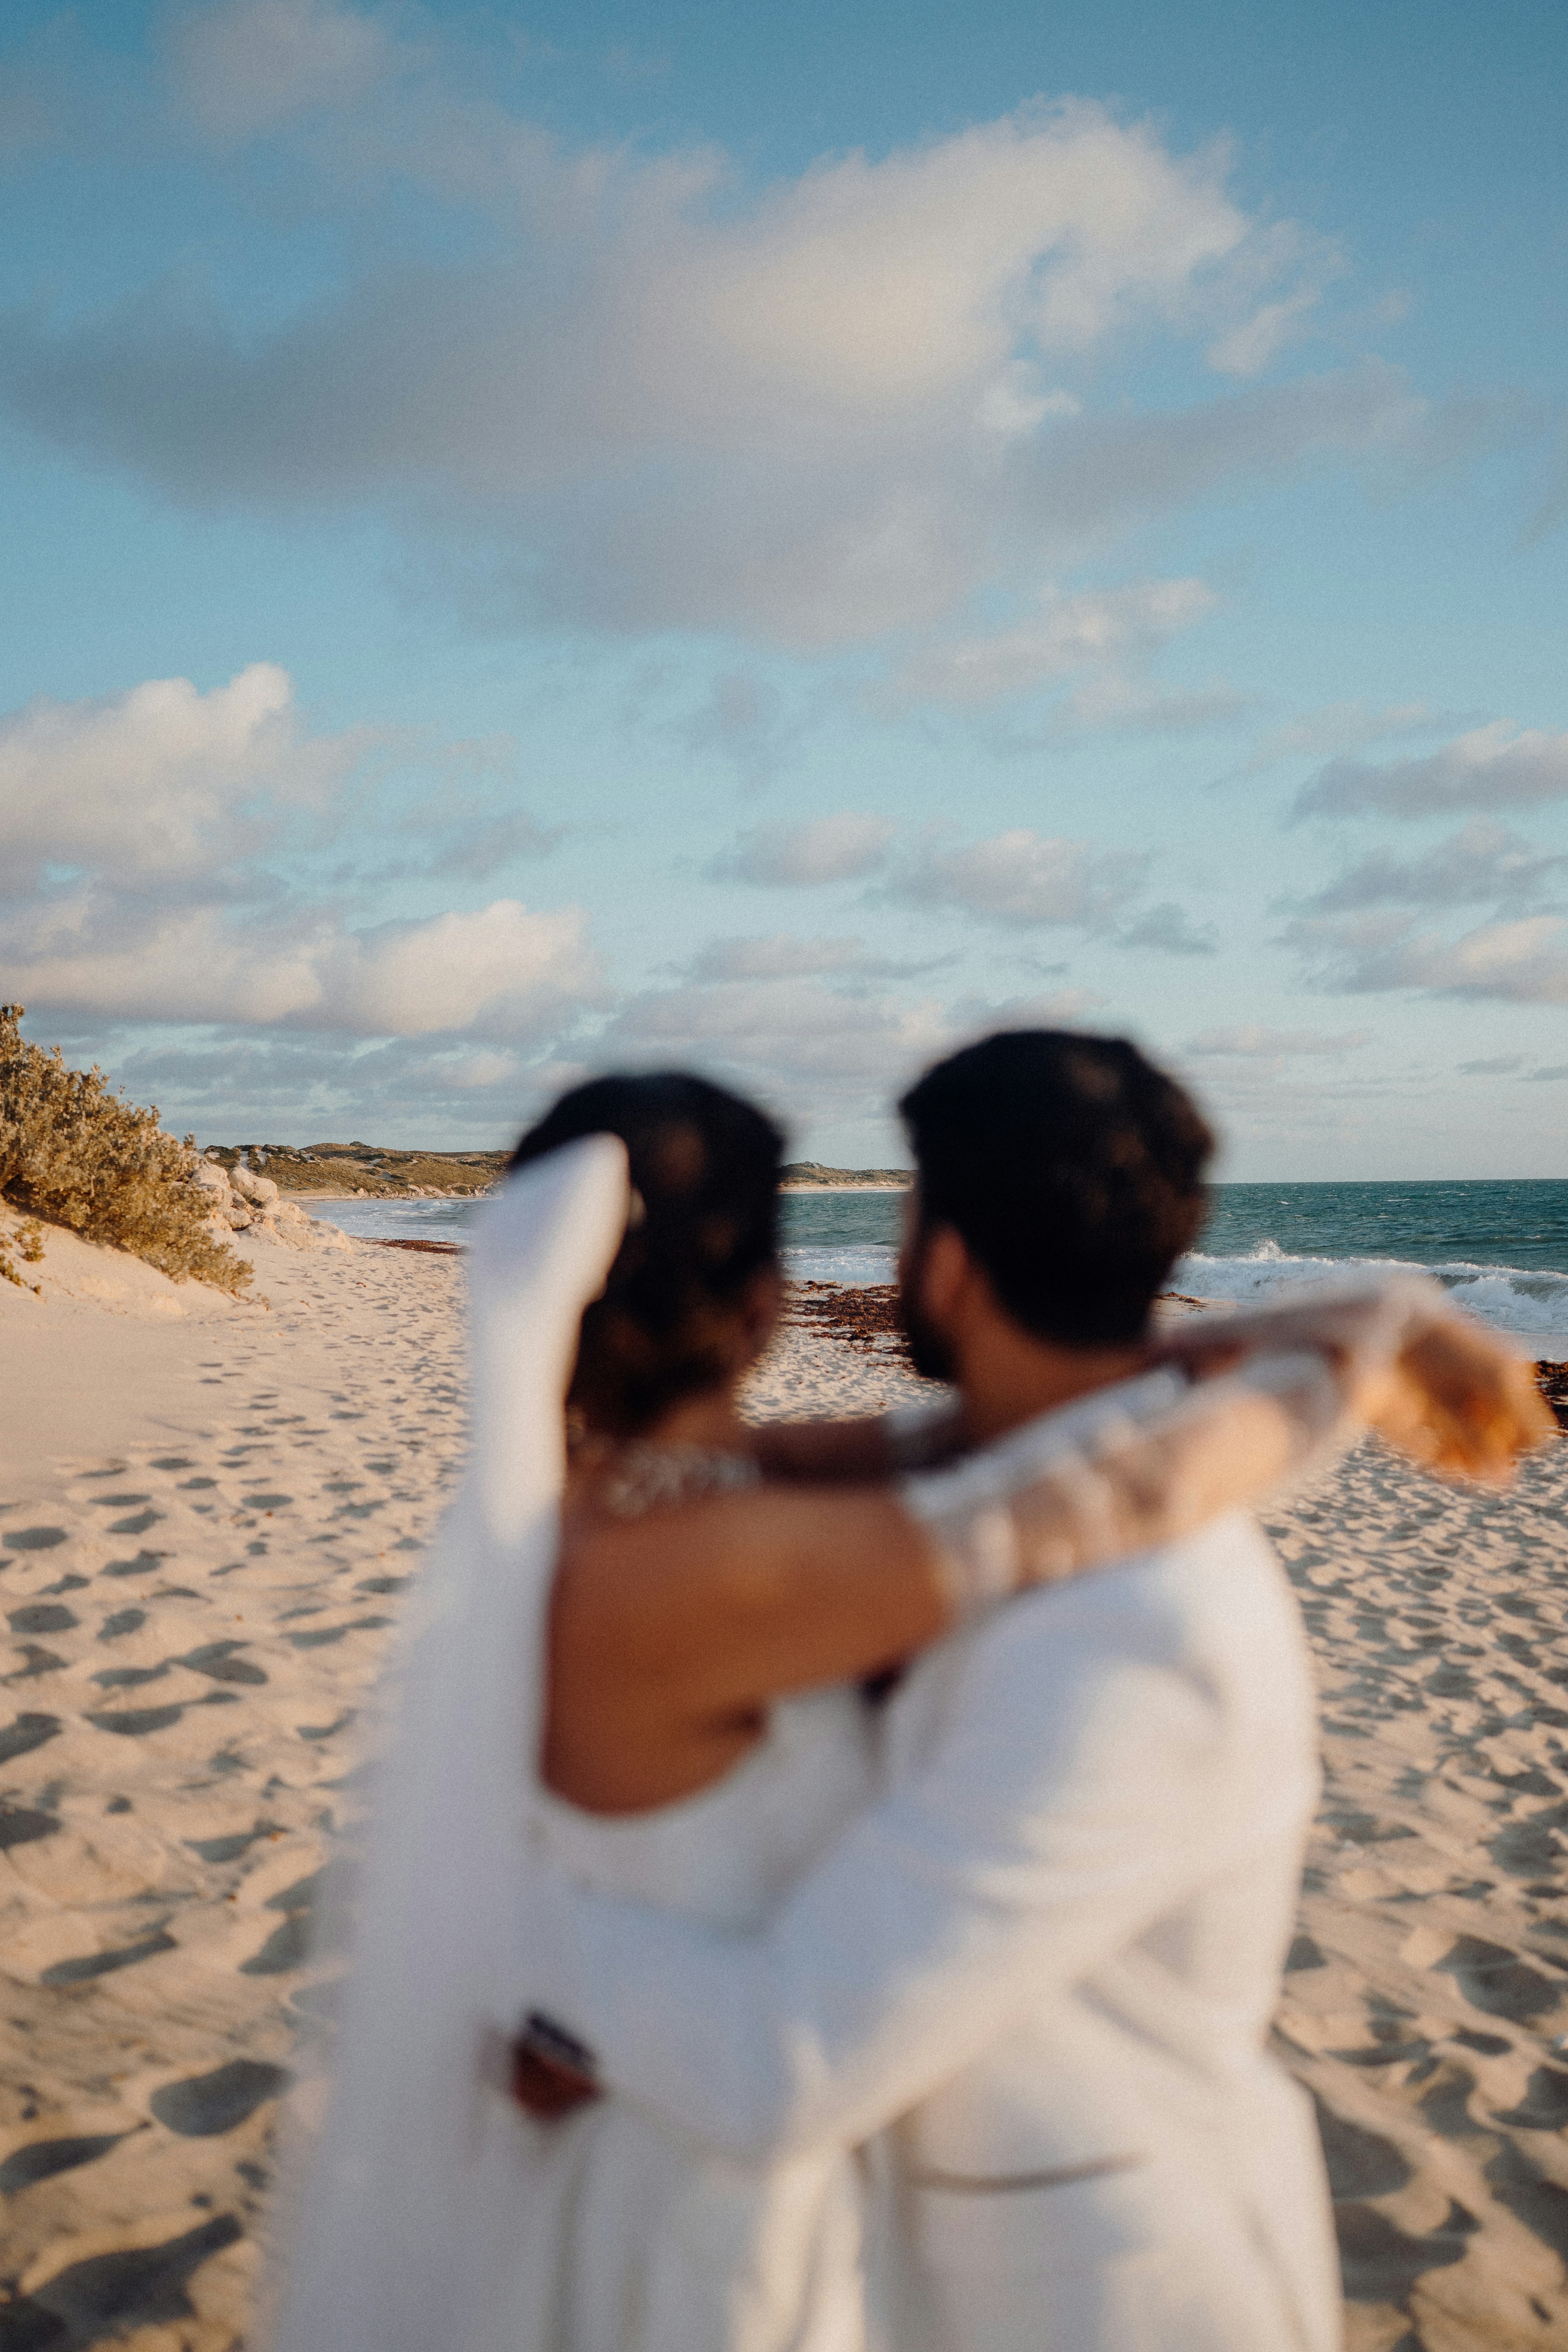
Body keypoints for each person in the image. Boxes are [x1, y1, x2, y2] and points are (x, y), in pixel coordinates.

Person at [266, 1050, 1546, 2352]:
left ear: (942, 1266)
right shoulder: (782, 1550)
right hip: (742, 2207)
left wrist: (510, 1947)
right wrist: (1358, 1343)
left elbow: (1012, 1464)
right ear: (768, 1300)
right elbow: (1097, 1484)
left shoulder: (706, 1518)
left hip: (1083, 2279)